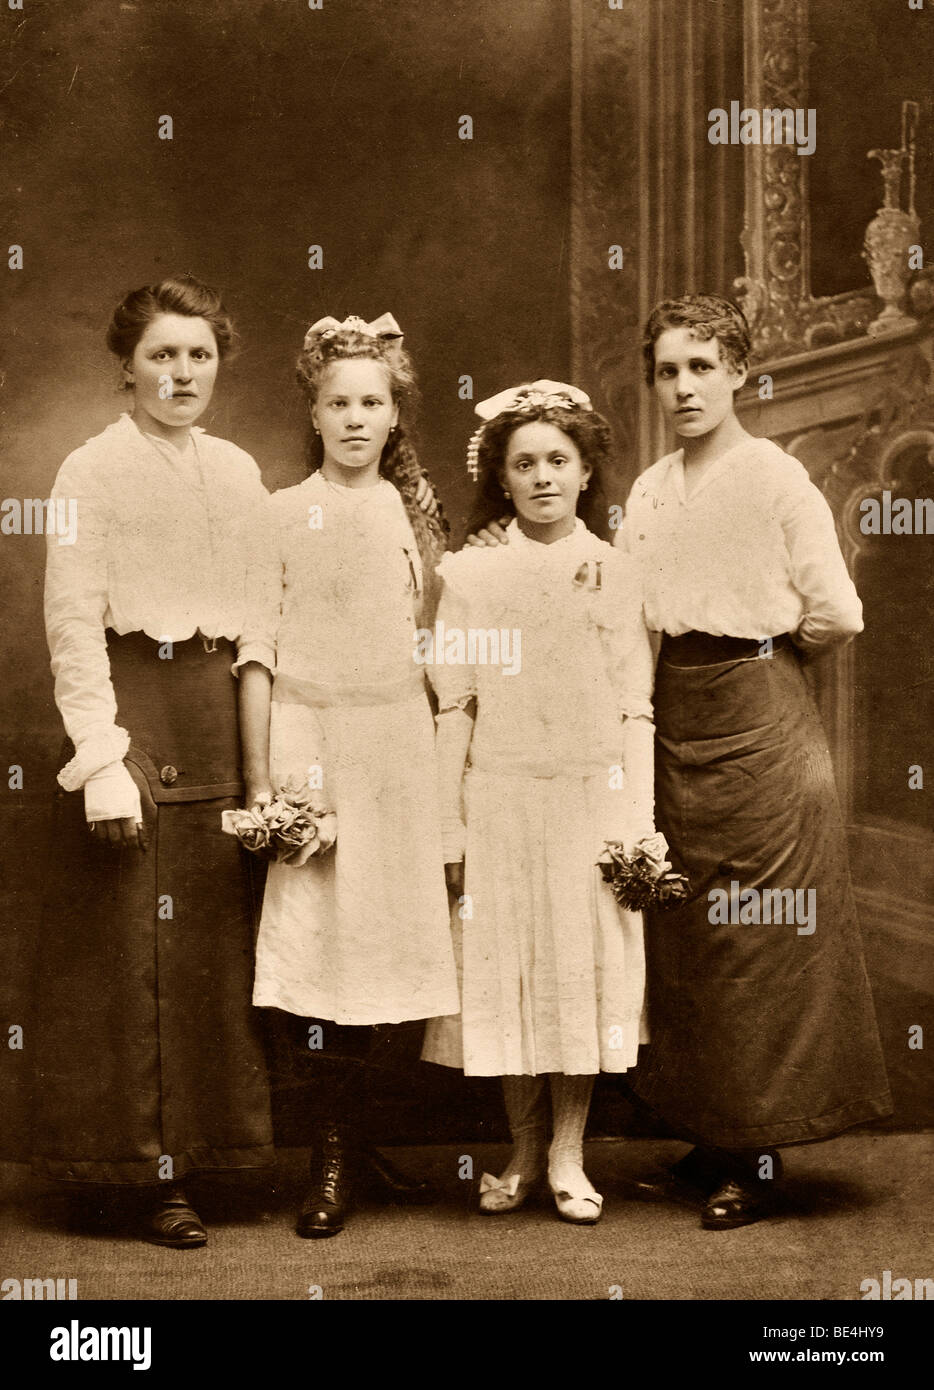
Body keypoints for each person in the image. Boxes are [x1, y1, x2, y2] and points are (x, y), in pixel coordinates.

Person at [465, 297, 893, 1229]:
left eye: (703, 366)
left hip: (760, 711)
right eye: (668, 371)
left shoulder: (777, 479)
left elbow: (838, 615)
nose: (685, 386)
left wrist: (766, 665)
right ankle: (713, 1136)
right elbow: (618, 607)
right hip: (670, 718)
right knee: (691, 935)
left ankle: (758, 1155)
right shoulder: (653, 487)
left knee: (759, 939)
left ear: (739, 370)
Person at [36, 276, 274, 1247]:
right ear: (126, 368)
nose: (183, 374)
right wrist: (100, 756)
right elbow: (71, 624)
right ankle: (141, 1171)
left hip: (217, 716)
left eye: (199, 355)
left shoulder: (236, 470)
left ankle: (220, 1155)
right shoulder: (89, 471)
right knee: (137, 955)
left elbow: (261, 614)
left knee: (213, 947)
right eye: (163, 356)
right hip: (134, 717)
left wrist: (265, 767)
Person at [237, 314, 459, 1239]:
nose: (357, 419)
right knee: (319, 953)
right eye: (339, 403)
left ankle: (362, 1139)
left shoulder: (416, 519)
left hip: (397, 743)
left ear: (395, 414)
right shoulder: (281, 512)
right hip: (310, 740)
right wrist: (263, 784)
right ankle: (327, 1154)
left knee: (392, 949)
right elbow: (257, 650)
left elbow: (437, 651)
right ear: (315, 413)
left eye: (374, 402)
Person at [421, 381, 656, 1225]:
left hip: (592, 801)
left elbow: (635, 703)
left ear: (588, 470)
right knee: (510, 973)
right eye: (525, 463)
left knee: (578, 973)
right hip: (503, 798)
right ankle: (520, 1147)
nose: (544, 477)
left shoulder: (617, 570)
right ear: (503, 478)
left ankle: (567, 1150)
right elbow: (457, 707)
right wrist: (449, 824)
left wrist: (640, 827)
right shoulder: (475, 575)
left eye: (560, 460)